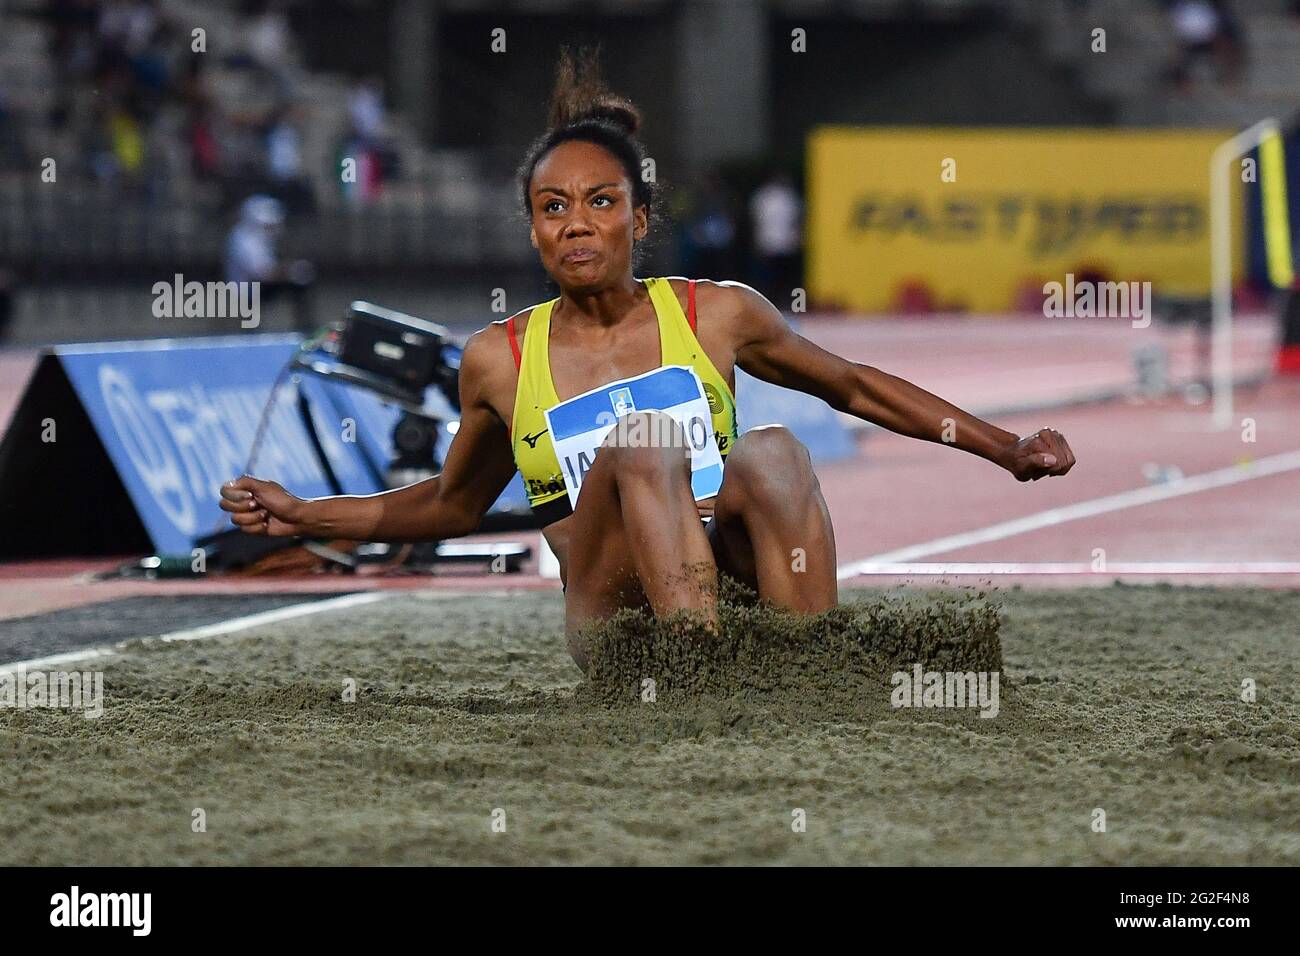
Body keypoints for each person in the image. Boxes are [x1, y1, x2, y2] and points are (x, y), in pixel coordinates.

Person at [220, 49, 1076, 671]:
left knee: (773, 449)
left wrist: (1006, 449)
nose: (577, 223)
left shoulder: (717, 313)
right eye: (554, 208)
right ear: (533, 229)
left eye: (600, 202)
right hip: (615, 622)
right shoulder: (498, 359)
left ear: (640, 218)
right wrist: (304, 515)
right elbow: (451, 505)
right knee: (645, 442)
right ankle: (694, 681)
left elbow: (853, 386)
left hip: (735, 581)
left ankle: (816, 669)